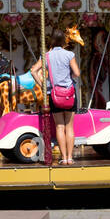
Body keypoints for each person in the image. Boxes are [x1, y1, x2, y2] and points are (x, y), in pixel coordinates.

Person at [32, 31, 81, 165]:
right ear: (64, 41)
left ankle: (63, 157)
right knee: (69, 127)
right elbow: (77, 73)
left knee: (59, 126)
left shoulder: (47, 56)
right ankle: (70, 158)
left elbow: (33, 71)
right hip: (69, 94)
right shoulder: (69, 54)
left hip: (54, 94)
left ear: (52, 41)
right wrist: (69, 77)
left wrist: (43, 84)